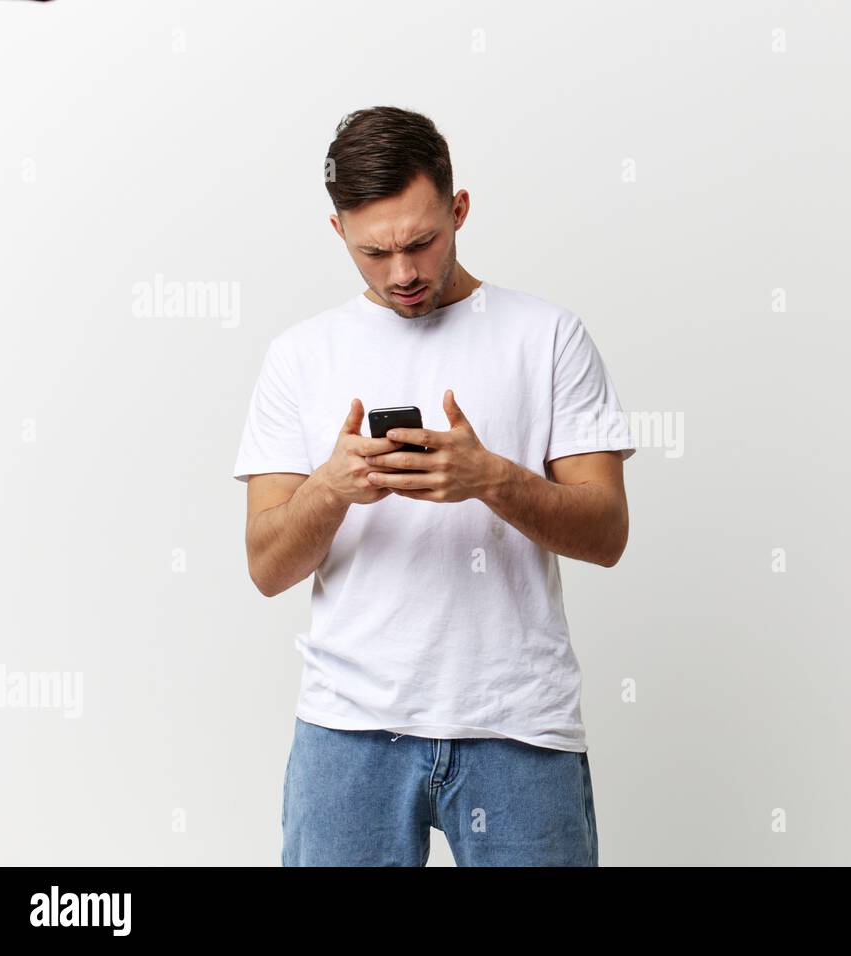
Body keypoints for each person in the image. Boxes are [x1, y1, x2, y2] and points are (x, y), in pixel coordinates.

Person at [232, 106, 635, 866]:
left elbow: (608, 534)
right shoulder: (299, 356)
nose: (403, 273)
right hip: (348, 731)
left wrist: (491, 479)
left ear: (460, 209)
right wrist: (331, 489)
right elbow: (265, 567)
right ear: (338, 233)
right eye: (374, 253)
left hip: (518, 727)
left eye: (421, 241)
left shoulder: (548, 336)